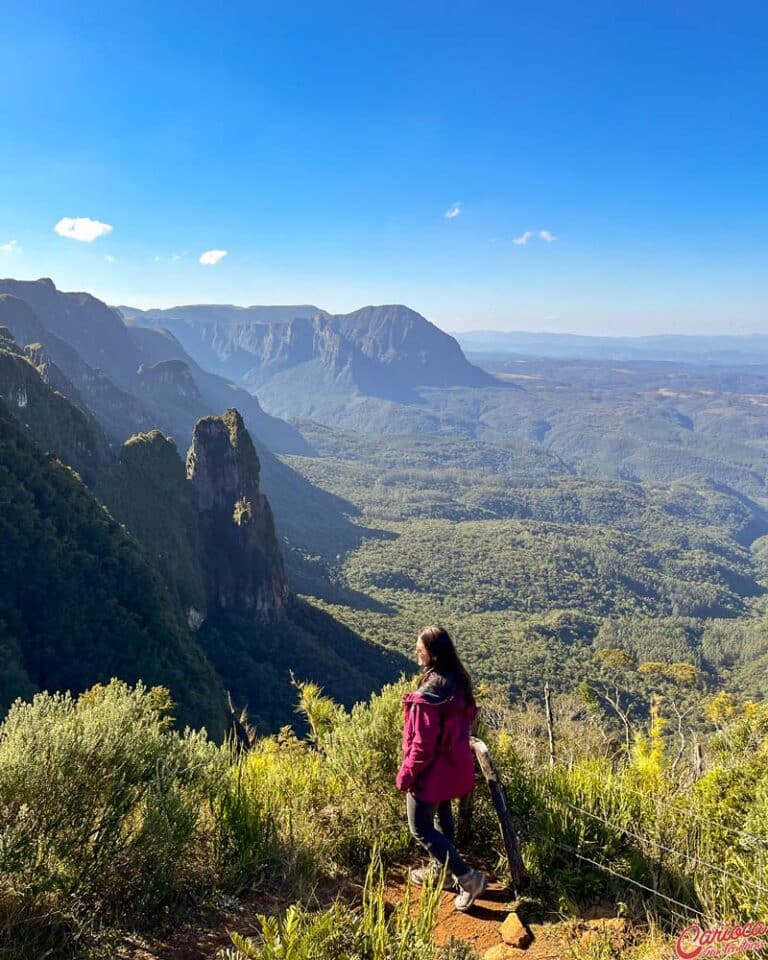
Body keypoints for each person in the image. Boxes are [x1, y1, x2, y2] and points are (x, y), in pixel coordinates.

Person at [395, 625, 488, 912]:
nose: (416, 651)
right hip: (454, 767)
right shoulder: (457, 681)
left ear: (433, 654)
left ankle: (467, 877)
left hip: (432, 774)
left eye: (420, 647)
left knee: (421, 827)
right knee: (442, 816)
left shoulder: (429, 695)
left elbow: (422, 746)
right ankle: (443, 873)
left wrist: (405, 775)